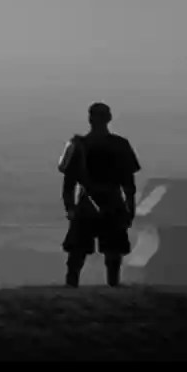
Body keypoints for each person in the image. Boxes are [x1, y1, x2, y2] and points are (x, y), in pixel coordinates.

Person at [60, 102, 140, 287]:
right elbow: (129, 184)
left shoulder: (79, 145)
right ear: (109, 118)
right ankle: (111, 286)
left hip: (89, 203)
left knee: (84, 254)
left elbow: (68, 184)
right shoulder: (119, 145)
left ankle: (74, 287)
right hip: (109, 202)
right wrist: (130, 209)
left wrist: (70, 208)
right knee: (106, 253)